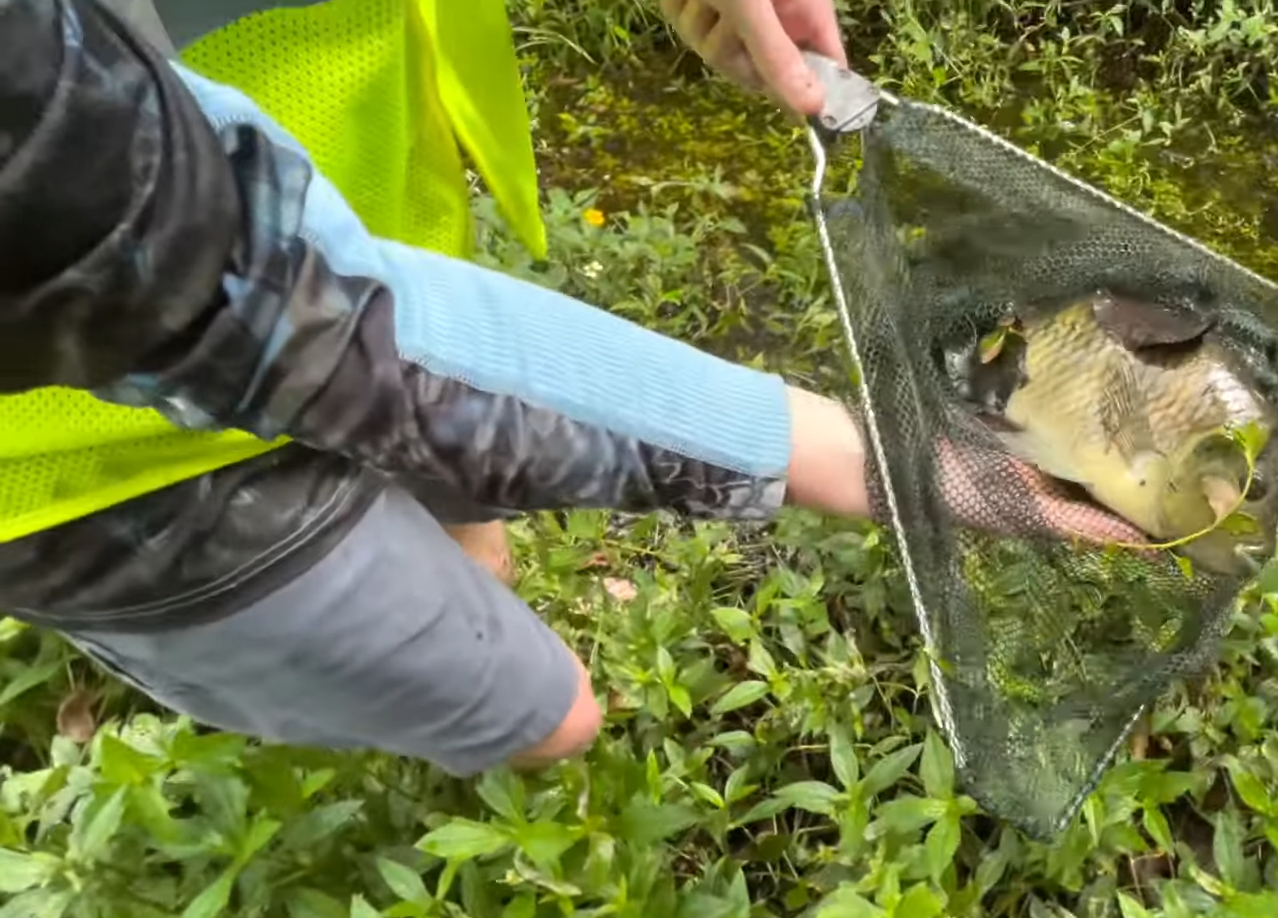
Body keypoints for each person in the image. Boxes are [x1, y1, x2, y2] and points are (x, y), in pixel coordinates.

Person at [0, 0, 1139, 777]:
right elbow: (278, 308)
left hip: (370, 228)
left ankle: (471, 576)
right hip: (97, 471)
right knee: (556, 717)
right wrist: (882, 462)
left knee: (472, 535)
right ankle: (496, 725)